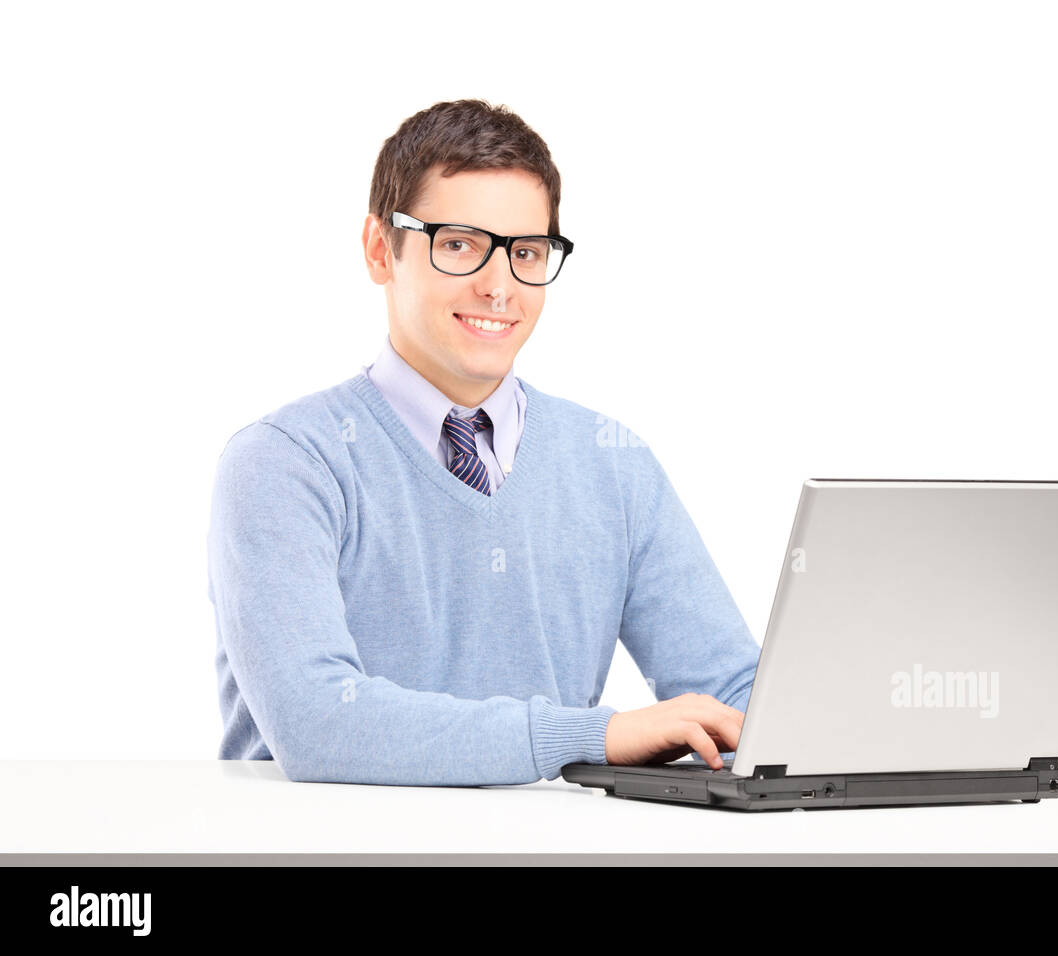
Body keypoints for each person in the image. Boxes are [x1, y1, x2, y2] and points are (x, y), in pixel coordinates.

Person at [206, 99, 760, 785]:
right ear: (382, 250)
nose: (499, 287)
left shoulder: (613, 464)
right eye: (461, 244)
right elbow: (317, 722)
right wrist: (594, 736)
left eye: (526, 253)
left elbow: (739, 697)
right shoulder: (285, 463)